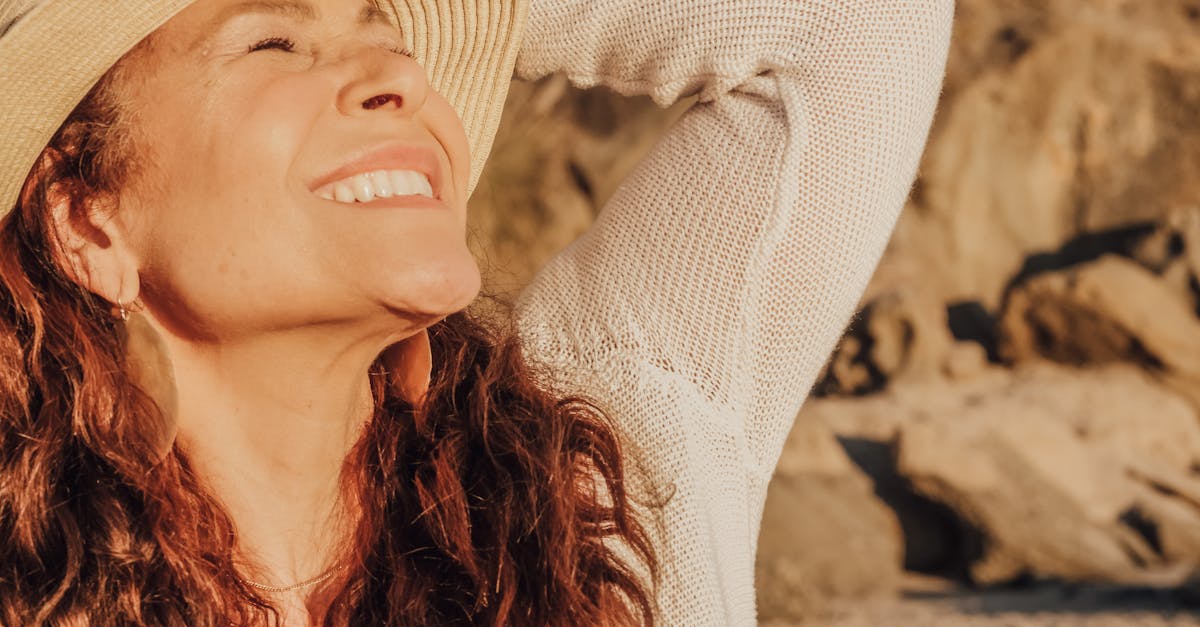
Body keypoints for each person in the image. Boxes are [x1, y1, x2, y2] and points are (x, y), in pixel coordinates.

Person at [0, 0, 953, 624]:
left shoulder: (602, 471)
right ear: (88, 217)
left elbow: (854, 23)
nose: (402, 79)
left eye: (394, 37)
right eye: (273, 42)